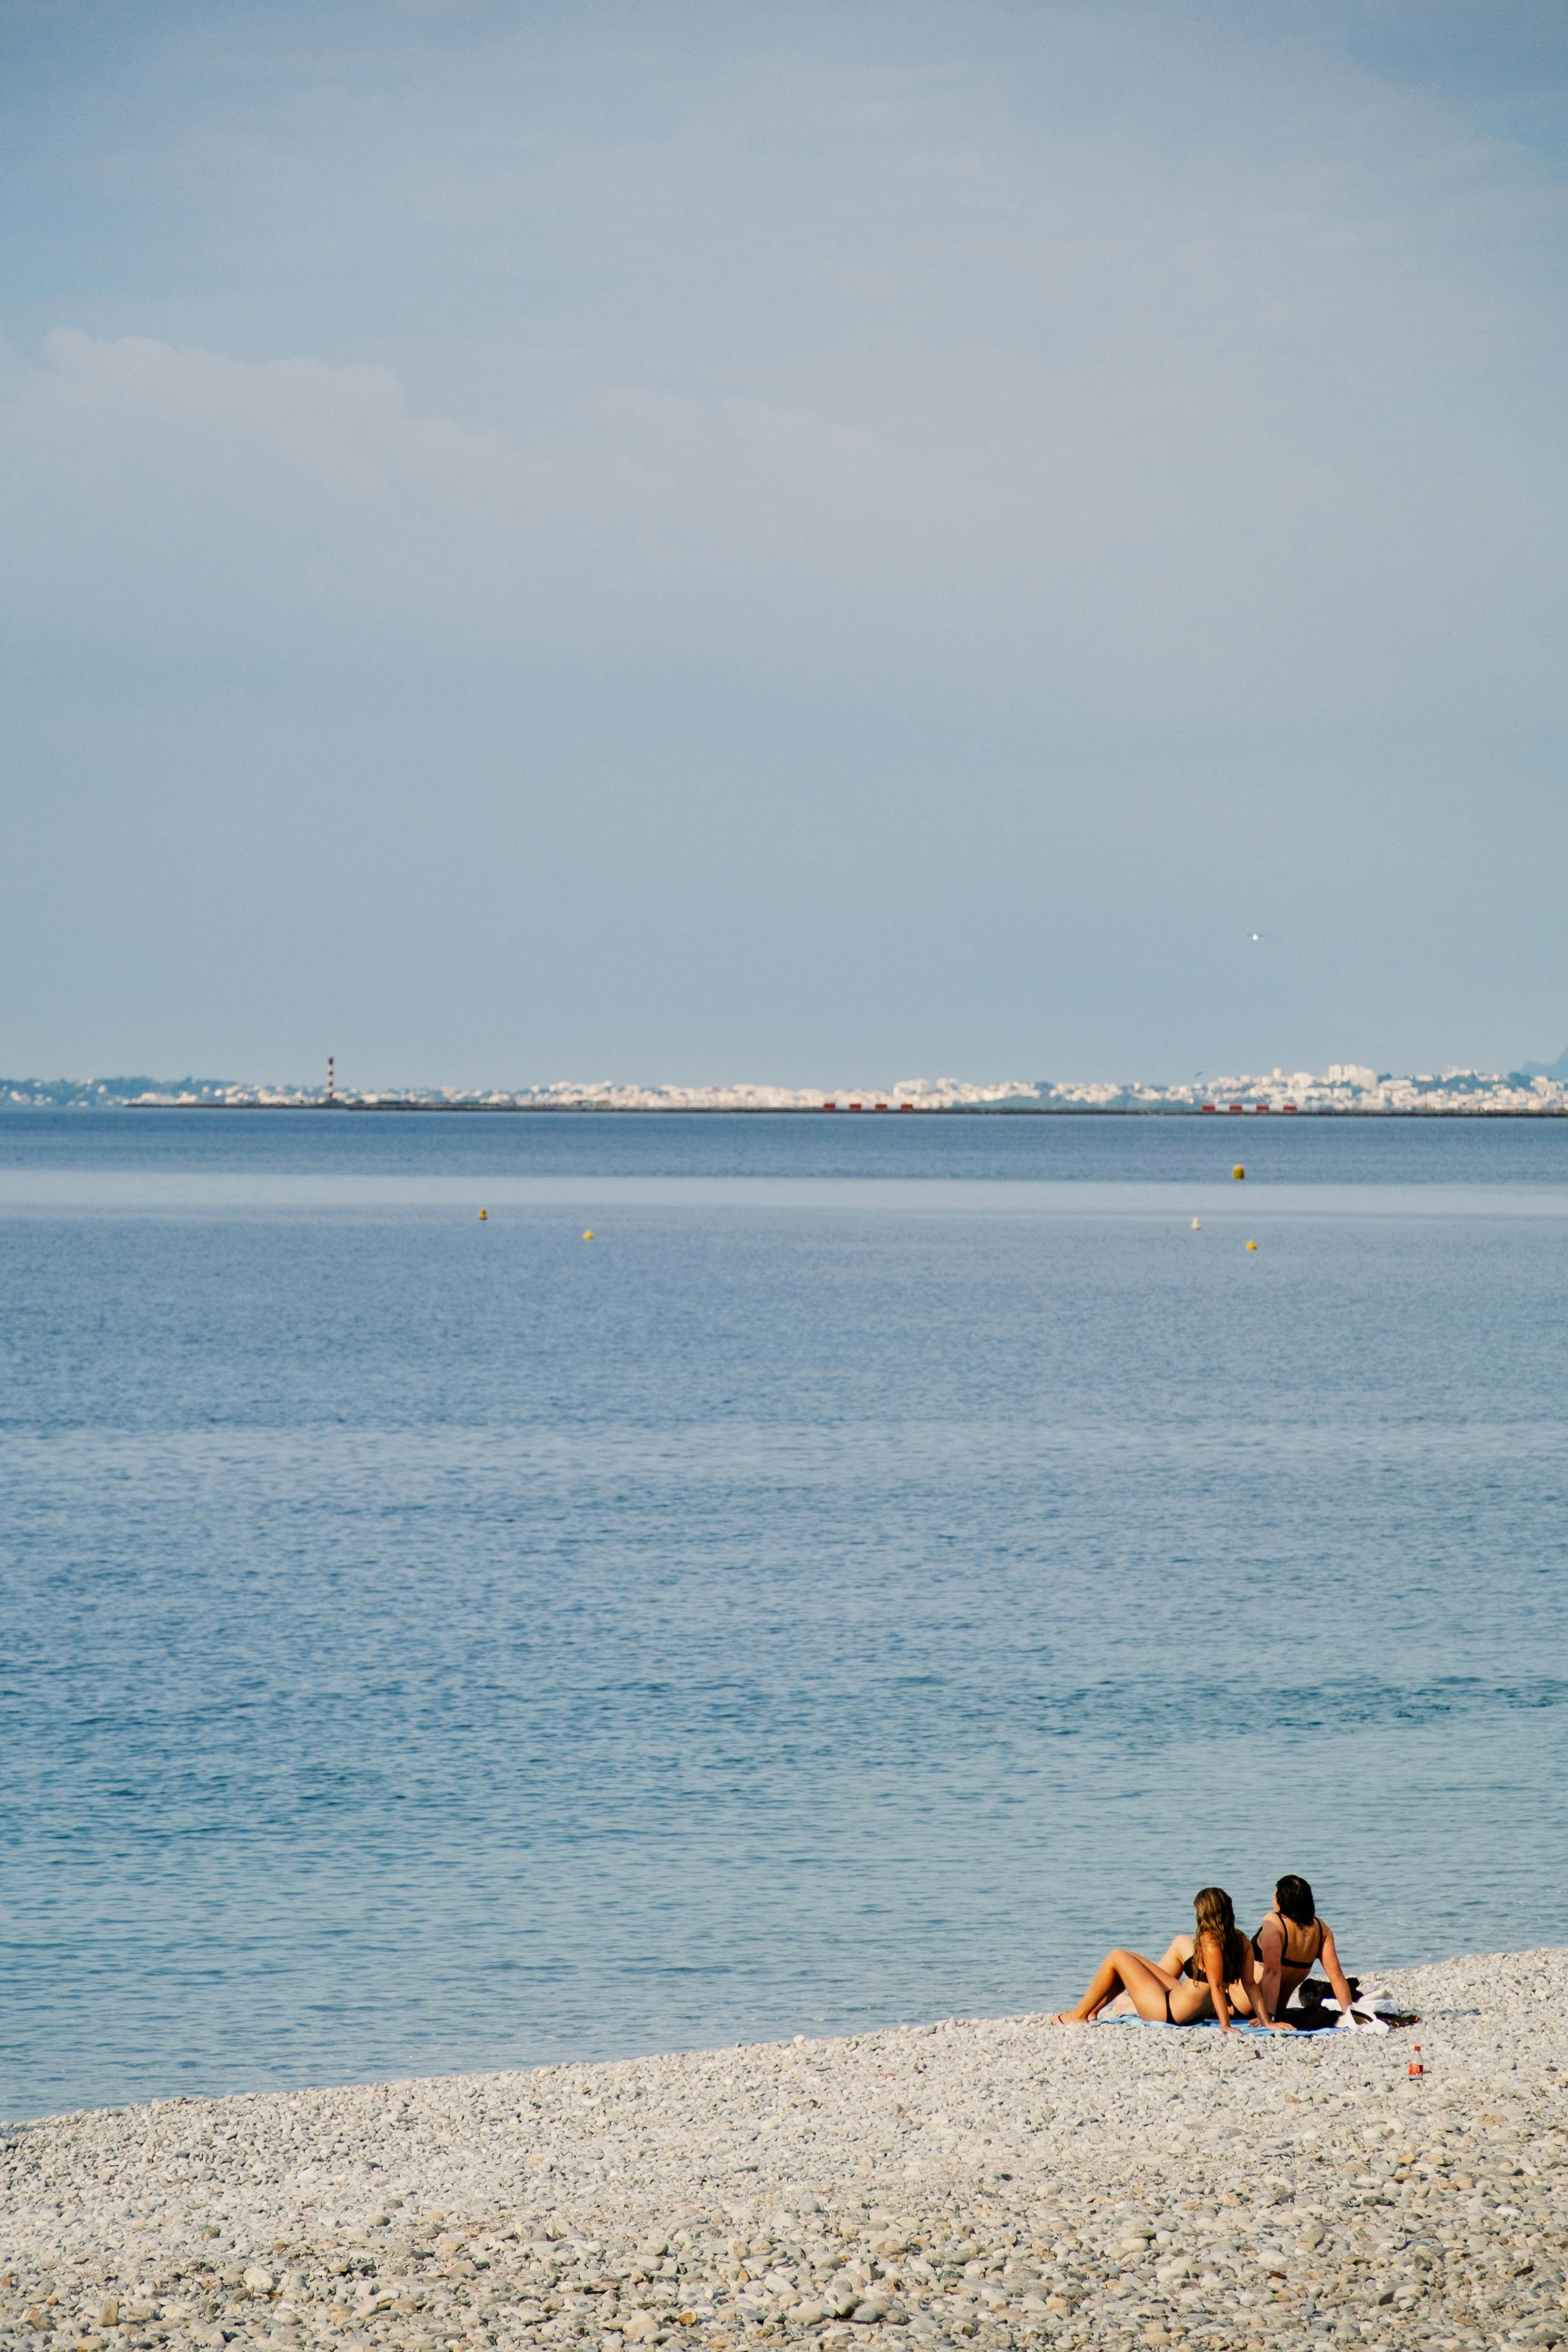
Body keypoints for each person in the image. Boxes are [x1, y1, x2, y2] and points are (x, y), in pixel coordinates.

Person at [1052, 1887, 1294, 2032]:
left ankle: (1079, 2015)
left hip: (1168, 2011)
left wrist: (1226, 2026)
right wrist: (1267, 2021)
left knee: (1117, 1956)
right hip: (1181, 2001)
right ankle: (1094, 2010)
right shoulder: (1240, 1940)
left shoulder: (1211, 1941)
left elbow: (1217, 1987)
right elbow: (1250, 1985)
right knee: (1131, 1959)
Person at [1248, 1873, 1355, 2024]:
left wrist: (1268, 2017)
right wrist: (1349, 2014)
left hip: (1245, 2005)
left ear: (1284, 1900)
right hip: (1277, 2009)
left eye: (1275, 1897)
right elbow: (1336, 1975)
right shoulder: (1321, 1928)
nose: (1273, 1901)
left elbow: (1272, 1971)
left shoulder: (1274, 1921)